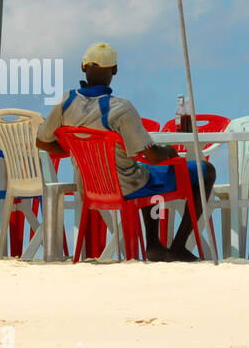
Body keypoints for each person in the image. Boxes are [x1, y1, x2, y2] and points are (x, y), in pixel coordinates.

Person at [35, 42, 215, 262]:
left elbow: (42, 142)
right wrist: (169, 151)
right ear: (114, 71)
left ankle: (155, 246)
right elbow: (153, 155)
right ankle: (177, 246)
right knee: (205, 170)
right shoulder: (121, 108)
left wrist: (74, 149)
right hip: (127, 186)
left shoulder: (64, 102)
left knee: (145, 172)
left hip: (89, 187)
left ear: (83, 67)